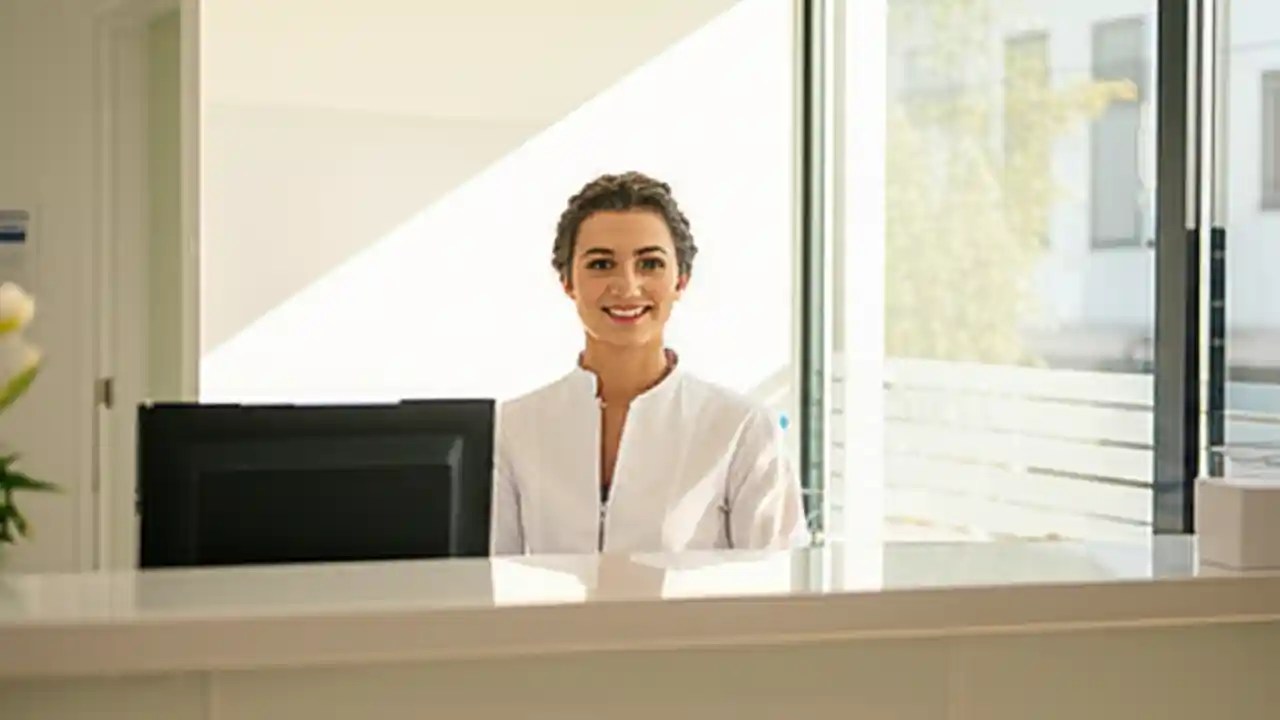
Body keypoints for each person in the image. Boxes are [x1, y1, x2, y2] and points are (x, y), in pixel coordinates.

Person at [491, 172, 807, 555]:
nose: (627, 286)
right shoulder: (513, 429)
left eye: (650, 264)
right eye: (601, 263)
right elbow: (487, 586)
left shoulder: (741, 429)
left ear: (681, 280)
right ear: (567, 281)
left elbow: (779, 594)